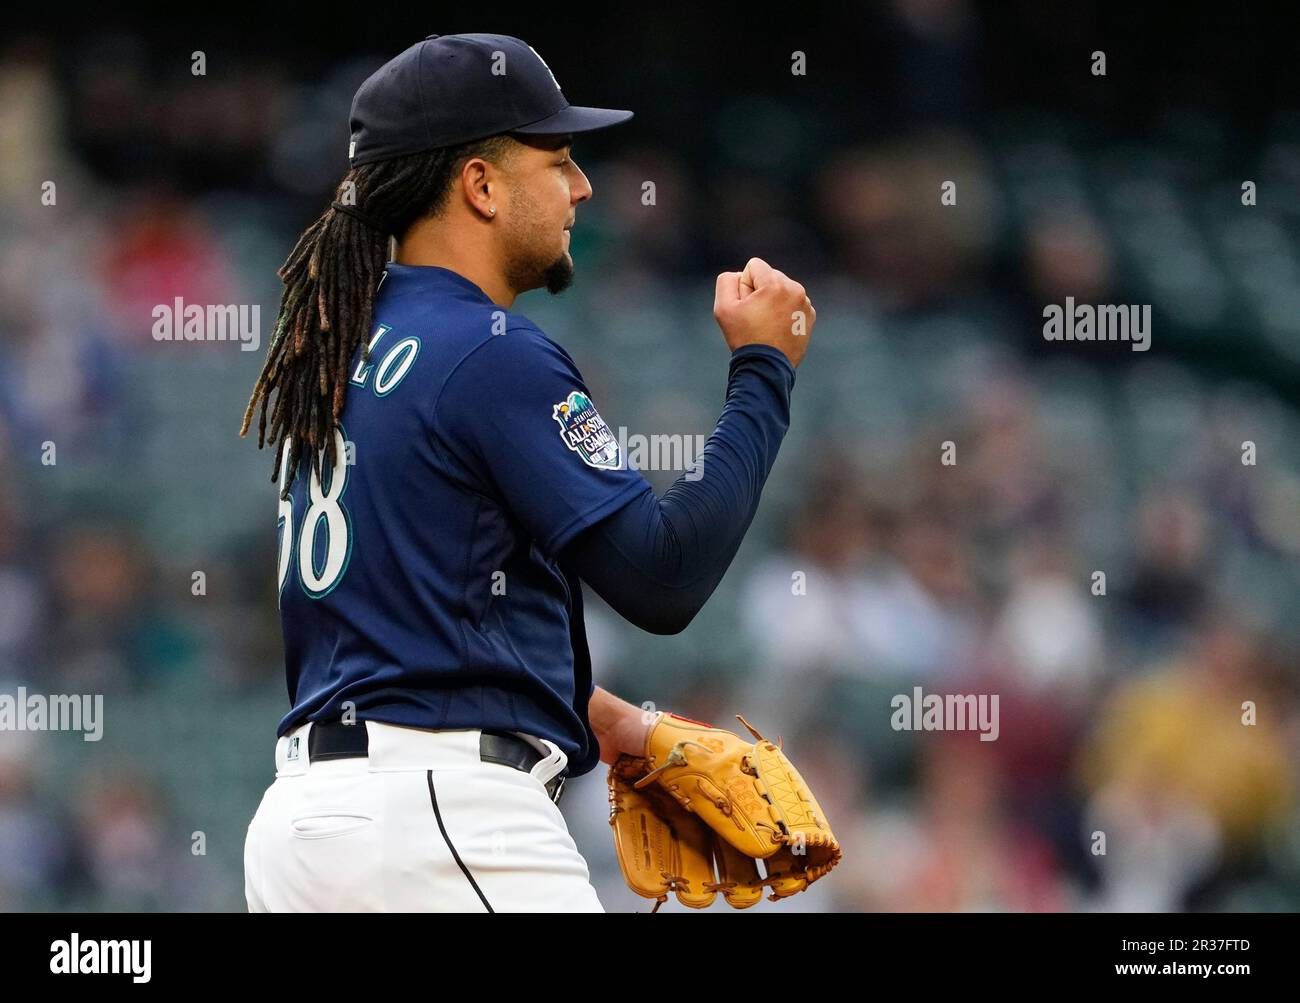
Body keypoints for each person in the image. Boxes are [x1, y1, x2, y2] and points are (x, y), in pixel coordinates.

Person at [240, 32, 814, 912]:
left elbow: (419, 622)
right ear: (480, 185)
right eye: (560, 159)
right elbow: (664, 577)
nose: (582, 188)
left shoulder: (336, 349)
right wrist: (764, 371)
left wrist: (607, 718)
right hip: (440, 819)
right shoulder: (487, 350)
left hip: (311, 830)